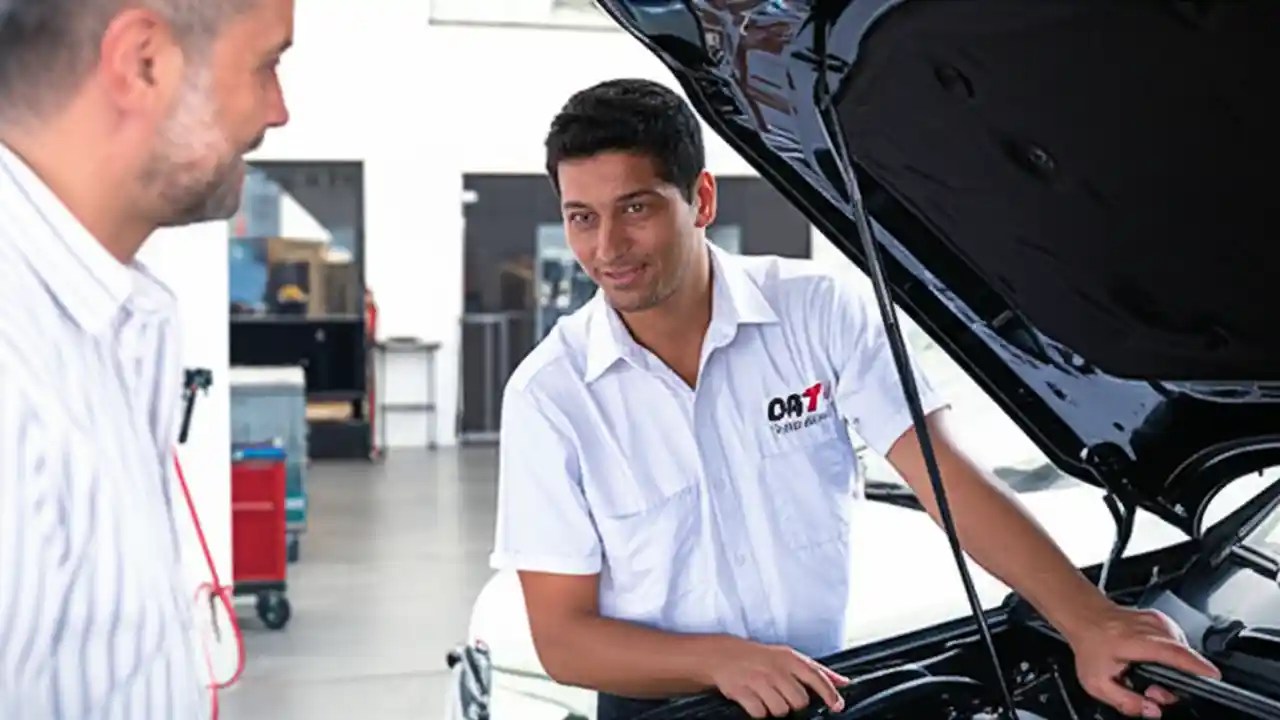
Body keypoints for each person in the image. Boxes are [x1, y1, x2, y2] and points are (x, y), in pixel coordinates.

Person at [490, 78, 1221, 720]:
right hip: (663, 707)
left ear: (701, 199)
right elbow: (564, 638)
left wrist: (1089, 621)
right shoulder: (550, 396)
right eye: (582, 216)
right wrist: (720, 661)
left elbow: (948, 478)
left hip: (823, 690)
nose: (608, 246)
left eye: (635, 208)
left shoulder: (818, 313)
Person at [0, 0, 292, 717]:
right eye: (266, 65)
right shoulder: (15, 381)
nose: (278, 110)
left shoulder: (103, 323)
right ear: (144, 63)